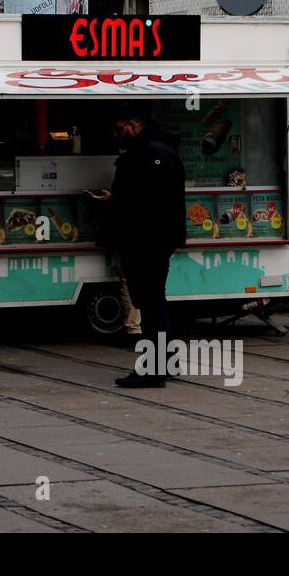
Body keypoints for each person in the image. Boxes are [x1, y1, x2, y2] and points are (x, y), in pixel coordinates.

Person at [89, 105, 186, 387]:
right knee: (155, 301)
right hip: (157, 239)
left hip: (143, 241)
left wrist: (113, 205)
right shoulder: (162, 152)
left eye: (119, 129)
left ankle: (152, 370)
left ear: (133, 125)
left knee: (149, 305)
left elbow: (143, 205)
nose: (116, 134)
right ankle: (165, 362)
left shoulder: (145, 155)